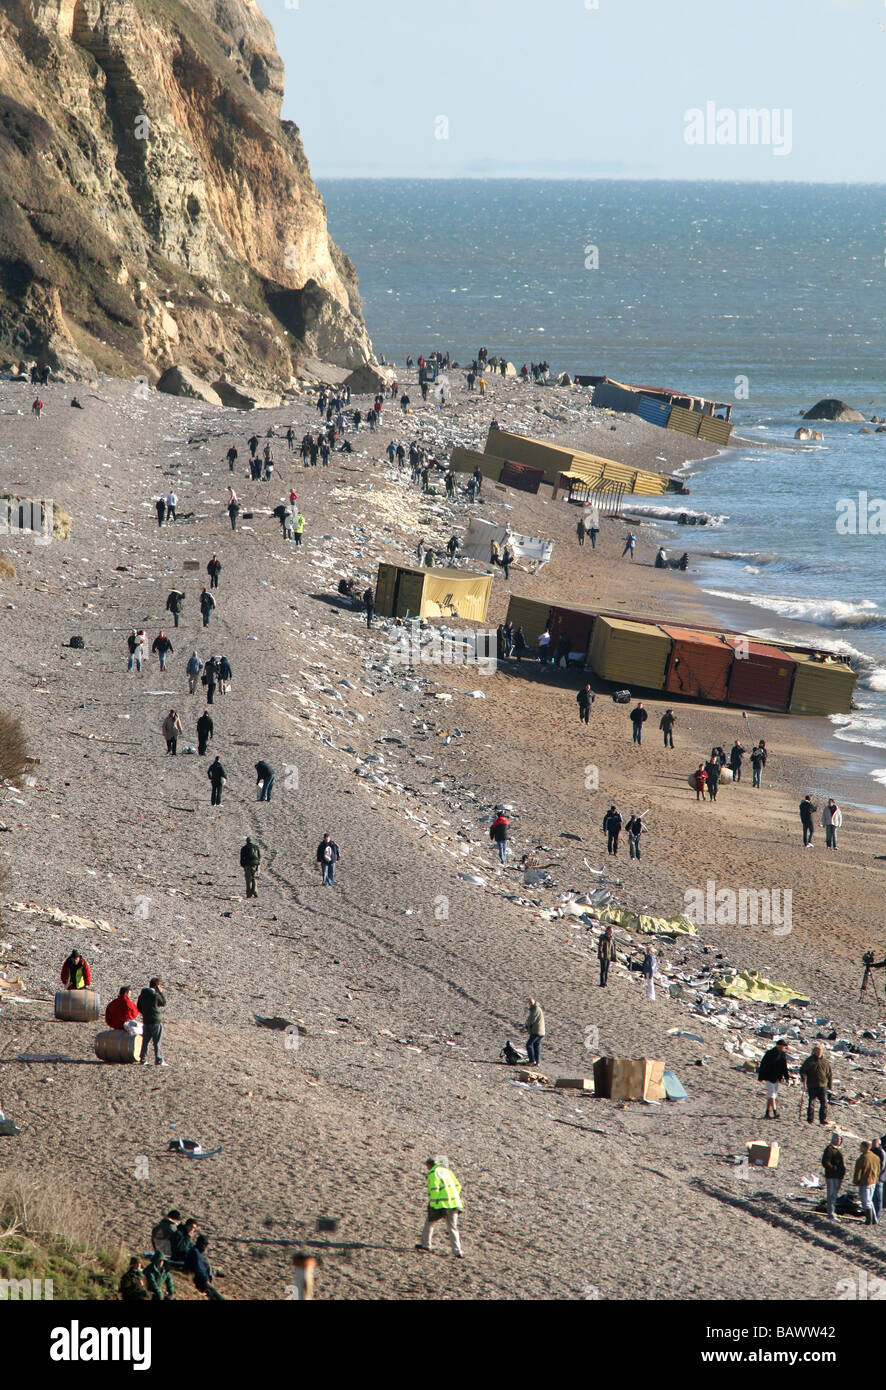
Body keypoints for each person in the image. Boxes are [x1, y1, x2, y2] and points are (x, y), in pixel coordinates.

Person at [416, 1158, 464, 1258]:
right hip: (454, 1203)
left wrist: (433, 1203)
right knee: (452, 1227)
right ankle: (457, 1251)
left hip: (440, 1204)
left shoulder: (433, 1173)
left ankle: (426, 1244)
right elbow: (458, 1186)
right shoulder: (448, 1172)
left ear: (430, 1165)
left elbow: (434, 1189)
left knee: (429, 1222)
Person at [799, 1043, 832, 1125]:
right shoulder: (809, 1060)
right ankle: (810, 1119)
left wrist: (830, 1084)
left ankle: (822, 1119)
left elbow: (829, 1074)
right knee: (811, 1102)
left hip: (823, 1085)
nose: (818, 1053)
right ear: (814, 1051)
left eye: (820, 1051)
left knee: (824, 1103)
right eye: (817, 1051)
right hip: (812, 1085)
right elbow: (802, 1070)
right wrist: (803, 1078)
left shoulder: (825, 1062)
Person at [757, 1038, 790, 1119]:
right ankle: (775, 1112)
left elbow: (784, 1067)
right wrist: (760, 1077)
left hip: (777, 1077)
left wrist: (786, 1077)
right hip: (768, 1076)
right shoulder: (770, 1053)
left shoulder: (782, 1054)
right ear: (778, 1045)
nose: (783, 1047)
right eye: (783, 1046)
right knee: (772, 1095)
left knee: (770, 1095)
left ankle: (767, 1113)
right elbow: (763, 1065)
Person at [137, 977, 166, 1067]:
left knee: (145, 1041)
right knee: (157, 1041)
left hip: (146, 1020)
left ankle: (143, 1059)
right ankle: (159, 1059)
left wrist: (145, 1013)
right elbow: (163, 1002)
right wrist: (160, 992)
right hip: (155, 1020)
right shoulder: (155, 995)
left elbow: (138, 1007)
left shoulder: (142, 995)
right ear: (157, 986)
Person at [184, 1234, 224, 1300]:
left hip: (201, 1278)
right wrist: (206, 1280)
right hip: (199, 1280)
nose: (205, 1247)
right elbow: (199, 1269)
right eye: (204, 1244)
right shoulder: (195, 1252)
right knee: (216, 1296)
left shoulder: (197, 1252)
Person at [854, 1142, 880, 1225]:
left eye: (861, 1147)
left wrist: (856, 1181)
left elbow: (858, 1171)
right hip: (873, 1181)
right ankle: (874, 1219)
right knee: (870, 1200)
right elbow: (879, 1169)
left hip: (865, 1182)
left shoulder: (863, 1158)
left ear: (865, 1147)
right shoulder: (876, 1157)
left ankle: (869, 1220)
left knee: (866, 1201)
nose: (860, 1148)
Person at [821, 1134, 845, 1221]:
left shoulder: (838, 1150)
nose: (838, 1141)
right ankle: (831, 1213)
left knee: (834, 1195)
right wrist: (834, 1169)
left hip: (838, 1176)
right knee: (831, 1195)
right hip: (832, 1176)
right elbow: (825, 1162)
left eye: (839, 1139)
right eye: (837, 1139)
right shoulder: (829, 1149)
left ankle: (832, 1212)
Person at [523, 997, 545, 1067]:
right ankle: (537, 1062)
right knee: (536, 1046)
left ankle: (532, 1061)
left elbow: (531, 1019)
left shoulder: (535, 1009)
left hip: (536, 1031)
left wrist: (527, 1025)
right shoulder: (537, 1008)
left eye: (530, 1002)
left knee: (529, 1045)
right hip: (541, 1032)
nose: (530, 1004)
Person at [872, 1137, 886, 1224]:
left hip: (879, 1177)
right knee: (875, 1197)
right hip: (874, 1177)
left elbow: (882, 1165)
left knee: (878, 1198)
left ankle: (877, 1216)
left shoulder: (881, 1152)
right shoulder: (873, 1151)